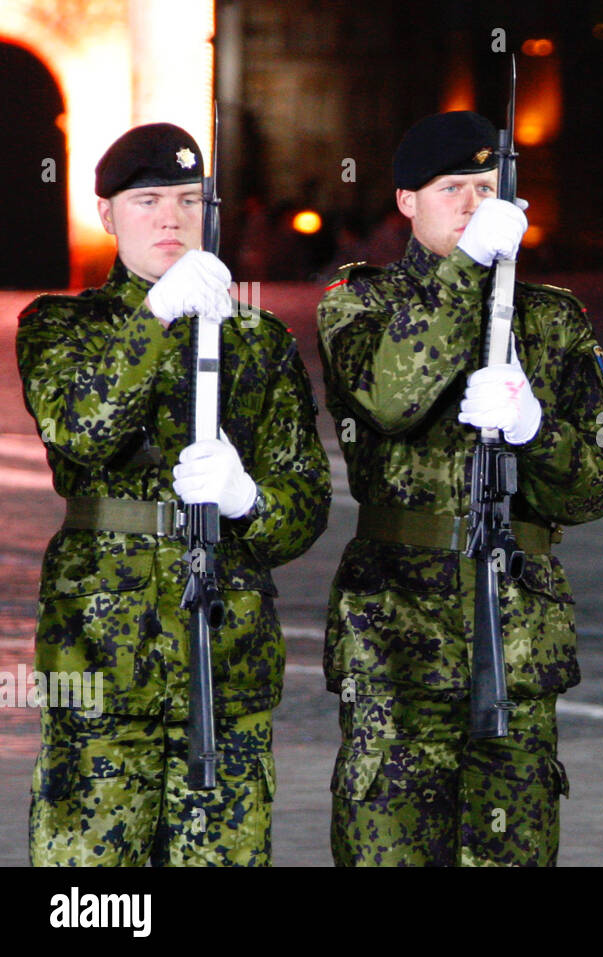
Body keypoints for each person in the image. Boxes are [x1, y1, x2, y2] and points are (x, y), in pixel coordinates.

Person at [317, 111, 603, 867]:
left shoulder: (553, 319)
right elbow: (392, 396)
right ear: (405, 201)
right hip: (395, 640)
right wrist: (465, 275)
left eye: (485, 188)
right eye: (450, 187)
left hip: (518, 640)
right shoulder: (359, 305)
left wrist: (536, 431)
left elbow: (598, 486)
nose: (470, 203)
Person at [16, 122, 331, 866]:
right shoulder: (62, 326)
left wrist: (248, 499)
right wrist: (157, 318)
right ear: (107, 212)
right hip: (98, 670)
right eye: (148, 199)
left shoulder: (258, 340)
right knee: (93, 902)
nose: (170, 218)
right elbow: (81, 425)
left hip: (224, 667)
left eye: (189, 201)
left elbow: (306, 504)